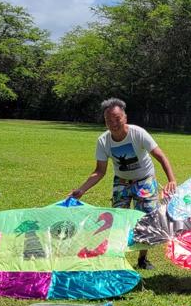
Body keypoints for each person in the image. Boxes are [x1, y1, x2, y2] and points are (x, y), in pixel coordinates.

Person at [71, 98, 179, 269]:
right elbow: (99, 171)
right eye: (109, 120)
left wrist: (171, 180)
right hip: (121, 181)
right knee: (118, 220)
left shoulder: (138, 133)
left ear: (125, 117)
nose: (113, 123)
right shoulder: (103, 141)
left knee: (146, 219)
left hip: (145, 180)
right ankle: (118, 256)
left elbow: (160, 156)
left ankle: (142, 259)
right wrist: (81, 190)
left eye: (117, 118)